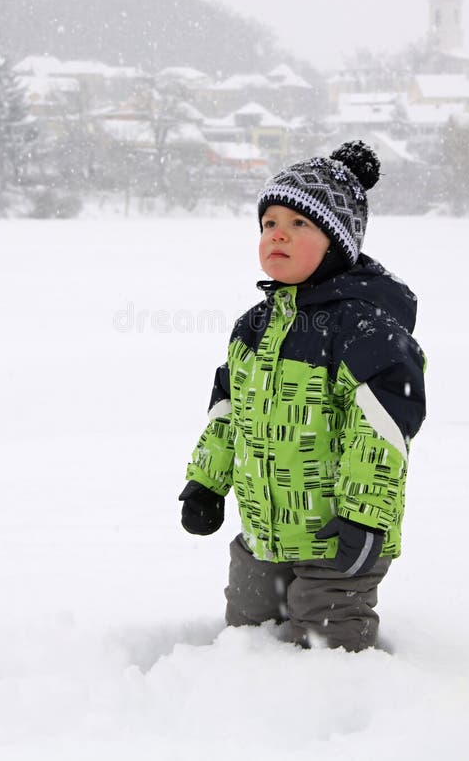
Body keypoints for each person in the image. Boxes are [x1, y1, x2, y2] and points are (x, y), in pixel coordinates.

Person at [179, 141, 426, 652]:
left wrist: (363, 516)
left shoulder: (365, 328)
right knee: (247, 637)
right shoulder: (254, 326)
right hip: (263, 534)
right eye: (269, 223)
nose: (278, 235)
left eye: (299, 225)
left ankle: (338, 719)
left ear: (337, 243)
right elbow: (229, 414)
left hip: (339, 538)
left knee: (325, 647)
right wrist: (205, 482)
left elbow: (381, 433)